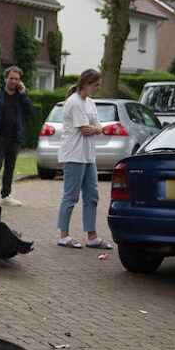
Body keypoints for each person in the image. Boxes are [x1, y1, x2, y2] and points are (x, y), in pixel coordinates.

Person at [56, 68, 110, 250]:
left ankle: (92, 236)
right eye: (96, 85)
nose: (98, 88)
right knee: (70, 196)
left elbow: (96, 127)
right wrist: (98, 129)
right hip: (74, 155)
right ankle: (63, 235)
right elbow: (86, 129)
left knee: (92, 196)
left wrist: (97, 128)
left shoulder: (90, 103)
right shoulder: (75, 103)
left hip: (88, 157)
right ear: (86, 84)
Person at [0, 66, 37, 206]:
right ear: (5, 78)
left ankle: (6, 195)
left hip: (14, 137)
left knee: (10, 167)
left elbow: (30, 112)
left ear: (20, 81)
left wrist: (24, 95)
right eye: (11, 78)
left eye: (16, 79)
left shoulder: (21, 97)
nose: (13, 81)